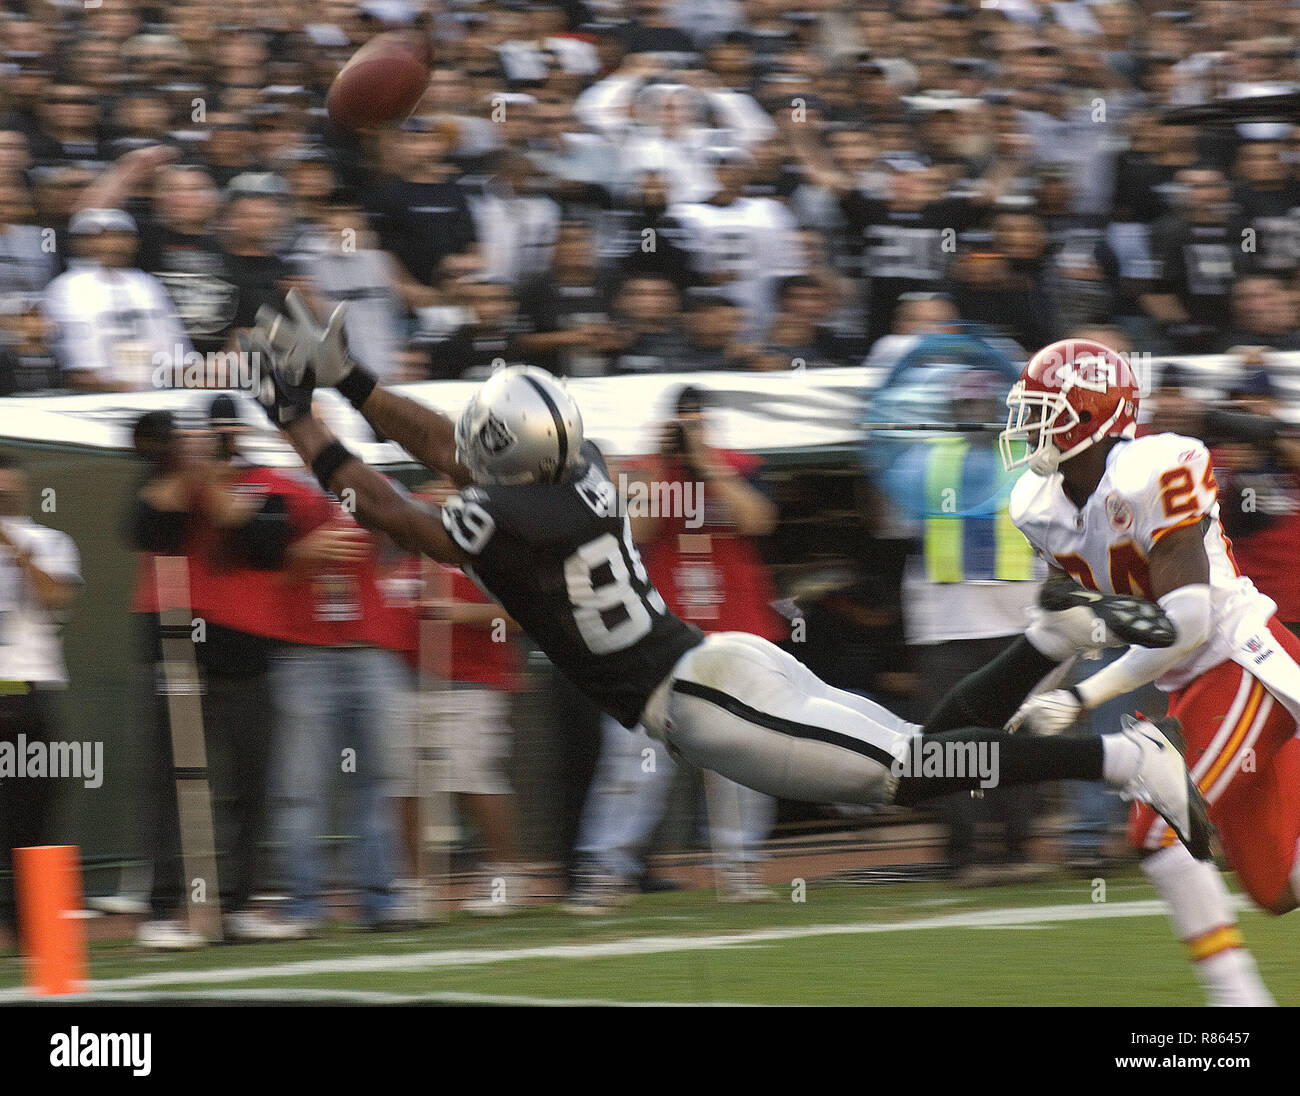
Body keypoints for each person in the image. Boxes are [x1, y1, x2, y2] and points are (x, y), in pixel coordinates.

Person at [245, 291, 1211, 908]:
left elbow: (397, 513)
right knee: (922, 756)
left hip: (700, 701)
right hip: (720, 665)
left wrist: (298, 418)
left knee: (913, 773)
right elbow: (454, 454)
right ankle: (1053, 638)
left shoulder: (509, 517)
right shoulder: (569, 473)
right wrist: (354, 382)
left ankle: (1122, 757)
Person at [998, 337, 1283, 1006]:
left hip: (1243, 659)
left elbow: (1185, 623)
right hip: (1192, 687)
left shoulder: (1157, 466)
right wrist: (1004, 703)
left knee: (1158, 823)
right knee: (1280, 886)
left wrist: (1081, 697)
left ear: (1091, 417)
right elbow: (1071, 623)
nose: (1030, 426)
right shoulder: (1038, 505)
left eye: (1045, 410)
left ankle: (1240, 1006)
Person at [0, 453, 82, 948]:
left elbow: (56, 601)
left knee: (38, 818)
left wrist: (15, 548)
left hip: (29, 691)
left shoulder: (51, 542)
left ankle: (46, 937)